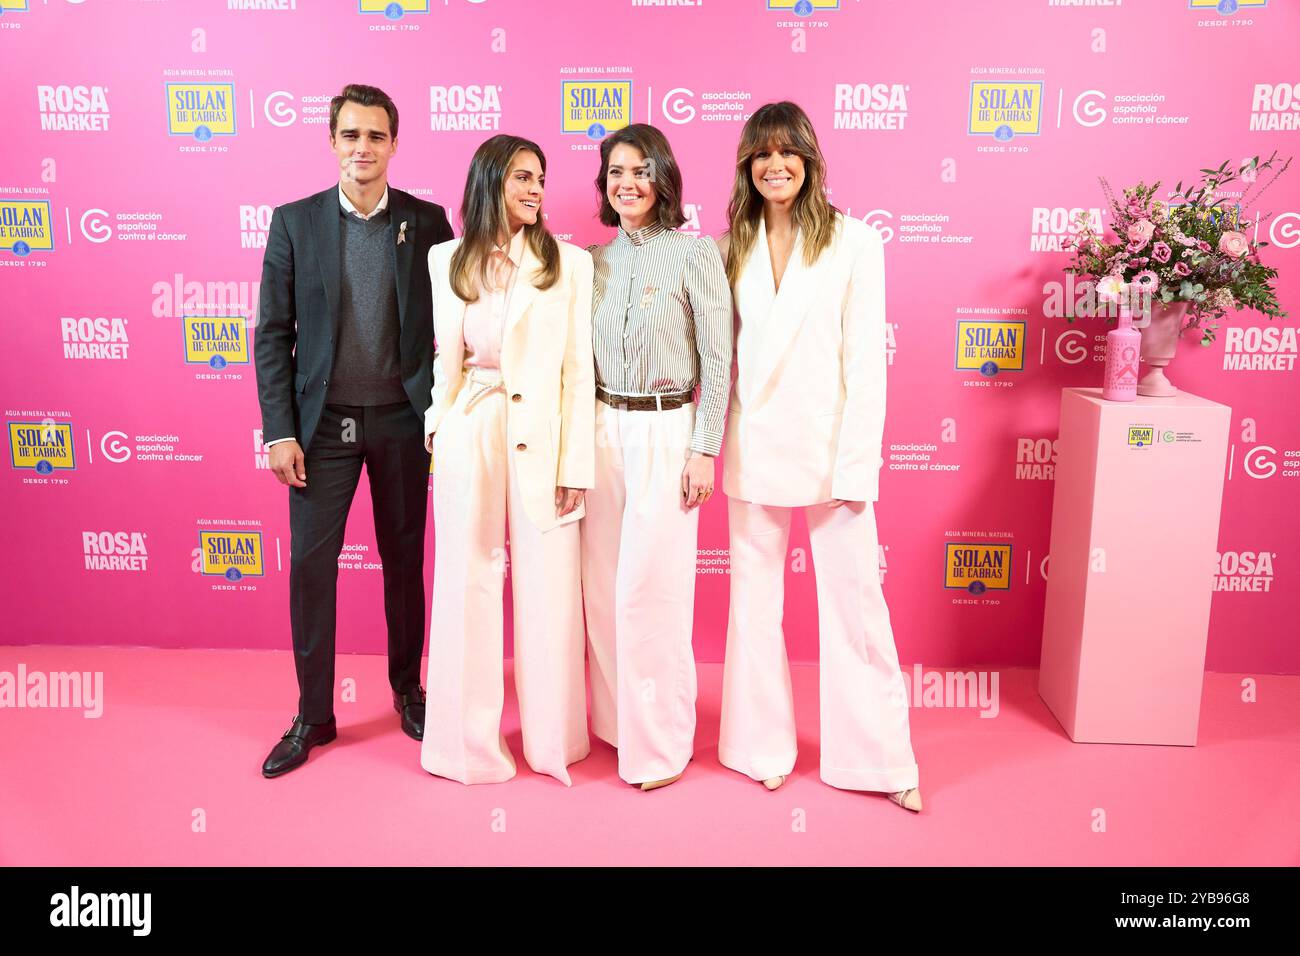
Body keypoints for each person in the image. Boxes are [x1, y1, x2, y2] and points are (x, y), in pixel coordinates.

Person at [717, 101, 923, 812]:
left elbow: (869, 365)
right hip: (754, 445)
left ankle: (879, 760)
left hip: (832, 449)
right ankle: (758, 747)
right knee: (753, 604)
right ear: (748, 164)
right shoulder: (731, 243)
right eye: (761, 154)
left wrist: (858, 465)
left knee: (855, 604)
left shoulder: (856, 241)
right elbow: (721, 355)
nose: (775, 165)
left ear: (808, 158)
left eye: (787, 152)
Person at [255, 83, 453, 778]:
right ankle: (314, 713)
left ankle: (409, 691)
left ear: (394, 143)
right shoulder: (295, 223)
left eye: (375, 136)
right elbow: (273, 334)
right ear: (332, 141)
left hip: (403, 422)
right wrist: (279, 431)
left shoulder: (430, 224)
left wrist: (445, 416)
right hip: (321, 427)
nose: (362, 148)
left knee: (405, 564)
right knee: (311, 568)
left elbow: (452, 331)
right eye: (350, 135)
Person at [420, 134, 595, 786]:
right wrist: (440, 425)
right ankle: (463, 747)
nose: (534, 190)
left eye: (540, 180)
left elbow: (579, 371)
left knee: (549, 587)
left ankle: (554, 742)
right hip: (472, 431)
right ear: (490, 180)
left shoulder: (568, 264)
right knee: (467, 583)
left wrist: (575, 464)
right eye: (522, 176)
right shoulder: (445, 259)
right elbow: (445, 360)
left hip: (543, 438)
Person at [581, 124, 732, 791]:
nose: (628, 183)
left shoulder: (696, 255)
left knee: (653, 591)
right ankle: (619, 727)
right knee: (604, 589)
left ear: (663, 179)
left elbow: (720, 361)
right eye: (616, 171)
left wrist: (704, 449)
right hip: (602, 428)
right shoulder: (591, 262)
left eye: (641, 171)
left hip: (667, 431)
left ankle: (662, 744)